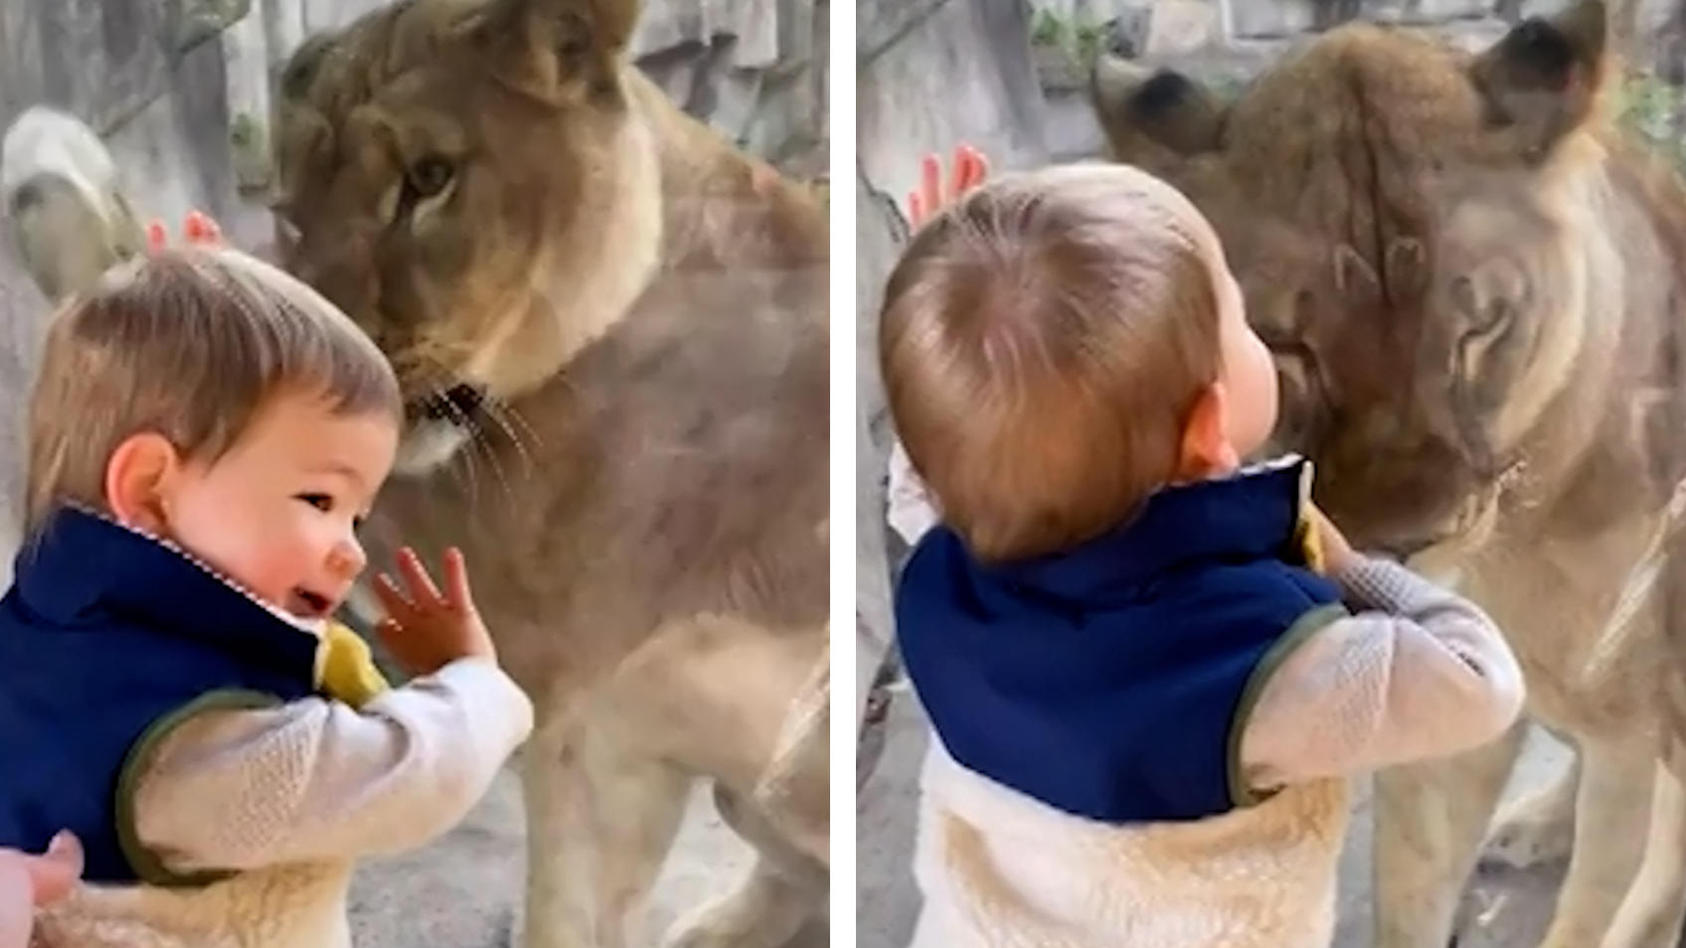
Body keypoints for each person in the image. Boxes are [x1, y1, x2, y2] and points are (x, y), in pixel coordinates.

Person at [879, 153, 1525, 947]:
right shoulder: (1269, 672)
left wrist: (952, 318)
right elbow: (1478, 683)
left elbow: (941, 452)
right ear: (1208, 428)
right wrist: (1347, 567)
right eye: (1240, 320)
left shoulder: (945, 556)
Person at [0, 237, 533, 948]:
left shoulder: (46, 643)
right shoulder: (201, 742)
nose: (350, 551)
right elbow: (413, 773)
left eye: (358, 516)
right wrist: (477, 682)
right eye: (318, 499)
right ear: (151, 491)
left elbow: (240, 459)